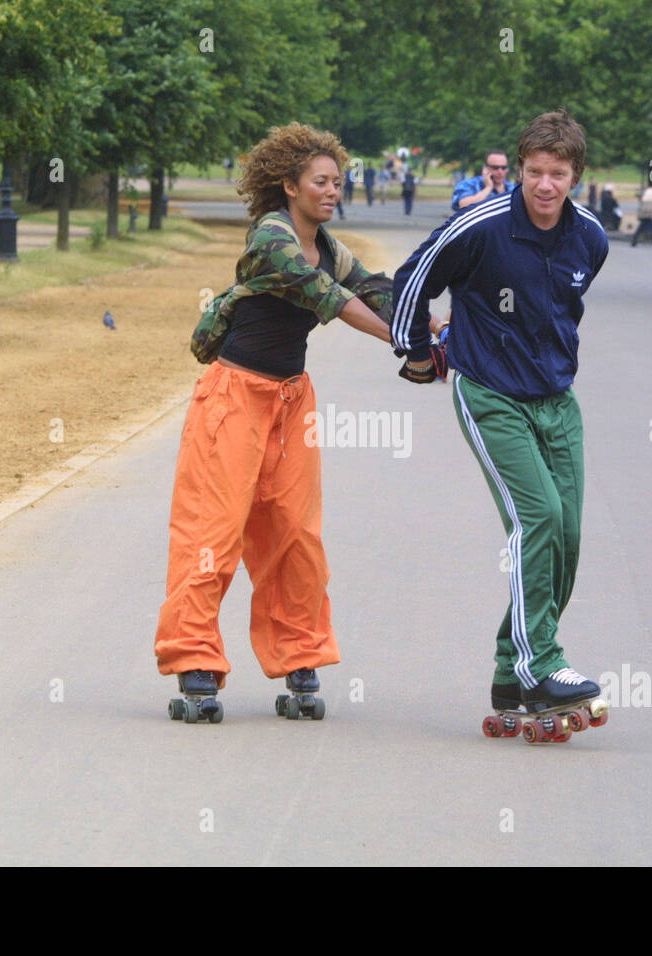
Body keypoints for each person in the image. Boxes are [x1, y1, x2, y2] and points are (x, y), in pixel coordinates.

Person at [155, 122, 393, 716]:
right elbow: (327, 298)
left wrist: (437, 324)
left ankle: (300, 657)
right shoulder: (272, 238)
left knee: (295, 535)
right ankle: (194, 661)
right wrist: (401, 340)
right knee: (214, 531)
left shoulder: (330, 246)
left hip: (292, 402)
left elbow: (375, 288)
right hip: (234, 398)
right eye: (321, 181)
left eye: (338, 182)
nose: (332, 191)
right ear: (289, 185)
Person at [390, 109, 609, 722]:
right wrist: (415, 350)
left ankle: (508, 675)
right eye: (535, 171)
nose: (545, 185)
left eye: (558, 173)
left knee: (565, 534)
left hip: (558, 401)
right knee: (536, 516)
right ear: (519, 170)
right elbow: (414, 279)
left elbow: (566, 304)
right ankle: (541, 665)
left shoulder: (590, 236)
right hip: (490, 394)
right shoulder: (480, 226)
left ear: (575, 176)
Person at [452, 151, 516, 212]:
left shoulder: (513, 188)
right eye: (495, 168)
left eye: (503, 168)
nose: (500, 172)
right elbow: (464, 206)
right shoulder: (468, 184)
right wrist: (488, 188)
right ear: (485, 168)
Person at [632, 182, 652, 247]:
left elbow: (641, 198)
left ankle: (634, 239)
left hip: (644, 207)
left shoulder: (647, 190)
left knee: (642, 225)